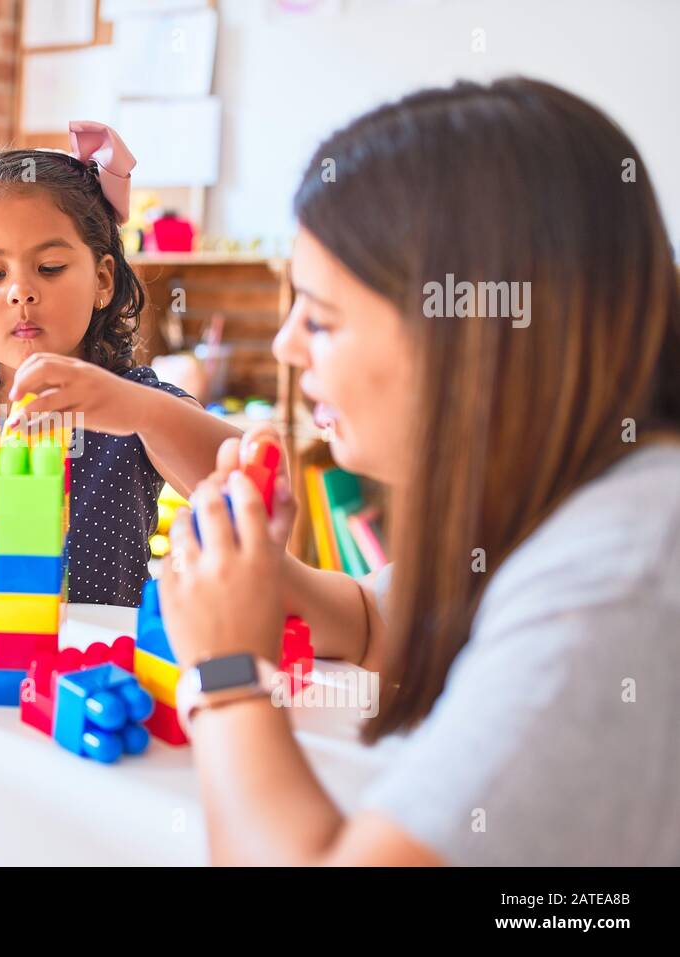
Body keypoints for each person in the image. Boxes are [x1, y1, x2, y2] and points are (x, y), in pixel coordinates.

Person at [159, 78, 680, 865]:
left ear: (477, 342)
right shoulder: (567, 496)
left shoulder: (621, 581)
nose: (286, 346)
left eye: (322, 318)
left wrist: (227, 674)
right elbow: (378, 621)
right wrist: (262, 572)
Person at [0, 121, 240, 607]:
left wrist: (141, 411)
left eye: (50, 268)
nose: (21, 290)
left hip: (98, 669)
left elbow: (244, 481)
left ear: (103, 280)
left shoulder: (131, 403)